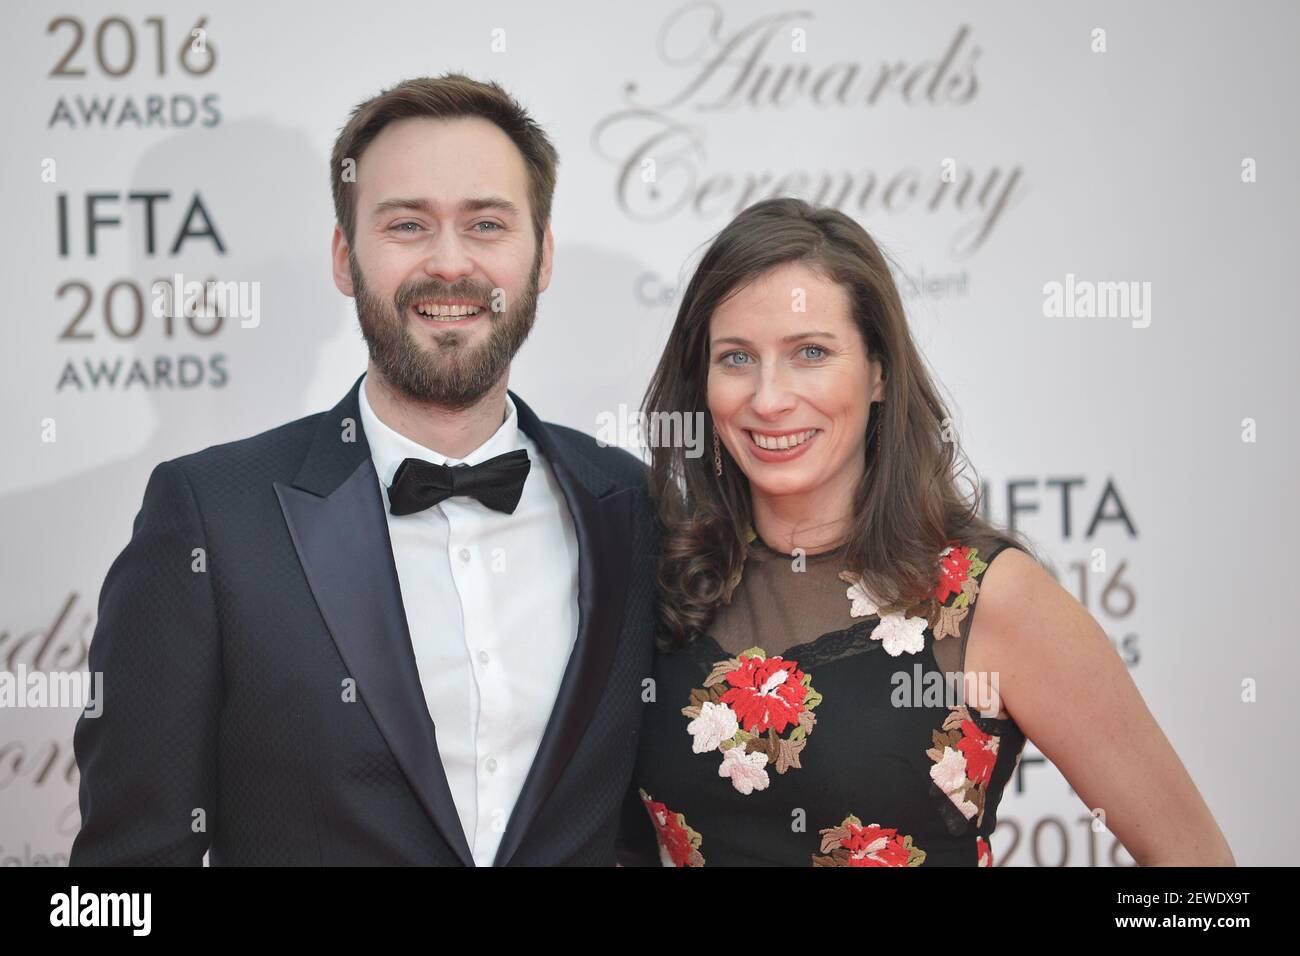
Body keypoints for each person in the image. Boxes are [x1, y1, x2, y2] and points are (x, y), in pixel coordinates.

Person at [70, 74, 657, 866]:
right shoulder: (212, 519)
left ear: (541, 255)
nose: (450, 264)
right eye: (408, 224)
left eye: (486, 223)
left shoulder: (630, 506)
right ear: (346, 258)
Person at [617, 197, 1234, 867]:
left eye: (812, 353)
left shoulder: (987, 599)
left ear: (879, 372)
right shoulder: (662, 577)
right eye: (736, 359)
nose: (768, 398)